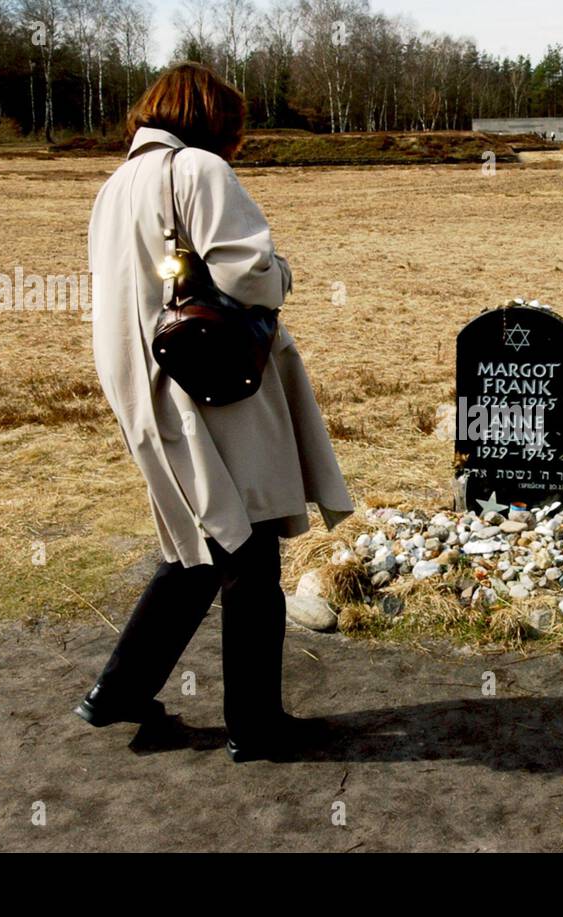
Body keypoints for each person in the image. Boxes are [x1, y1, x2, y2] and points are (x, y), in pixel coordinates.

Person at [79, 62, 353, 763]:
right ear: (210, 120)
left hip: (147, 385)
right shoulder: (197, 169)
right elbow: (249, 273)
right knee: (250, 550)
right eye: (234, 127)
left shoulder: (114, 186)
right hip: (211, 388)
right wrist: (284, 272)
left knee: (200, 548)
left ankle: (116, 695)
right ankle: (256, 727)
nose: (238, 141)